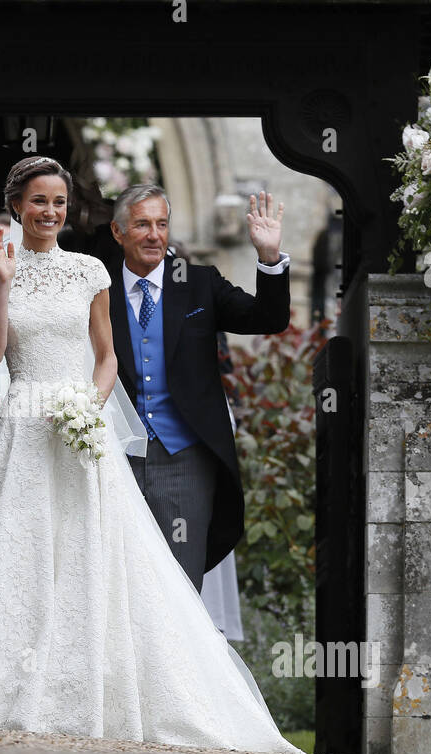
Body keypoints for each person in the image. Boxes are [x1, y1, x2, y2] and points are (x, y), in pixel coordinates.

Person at [0, 156, 305, 754]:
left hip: (123, 444)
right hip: (29, 432)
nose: (50, 212)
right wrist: (4, 277)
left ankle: (132, 693)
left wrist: (86, 409)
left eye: (60, 202)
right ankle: (23, 689)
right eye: (39, 201)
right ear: (19, 204)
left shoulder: (144, 278)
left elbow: (117, 355)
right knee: (28, 561)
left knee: (134, 577)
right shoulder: (23, 271)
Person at [107, 184, 292, 593]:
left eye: (162, 224)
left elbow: (269, 317)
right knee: (117, 587)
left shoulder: (198, 283)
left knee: (179, 590)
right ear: (118, 232)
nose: (155, 235)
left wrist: (268, 256)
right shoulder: (96, 288)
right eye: (142, 225)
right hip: (114, 459)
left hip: (184, 462)